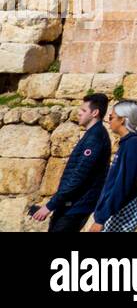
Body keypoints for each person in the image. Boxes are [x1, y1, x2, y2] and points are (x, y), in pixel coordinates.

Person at [32, 93, 111, 232]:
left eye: (83, 110)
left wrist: (50, 205)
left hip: (76, 205)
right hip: (71, 204)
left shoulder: (95, 137)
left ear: (95, 113)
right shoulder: (92, 134)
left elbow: (78, 176)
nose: (79, 113)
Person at [88, 100, 137, 233]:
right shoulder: (128, 144)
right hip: (115, 209)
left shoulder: (133, 146)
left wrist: (101, 219)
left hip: (120, 211)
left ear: (122, 120)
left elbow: (122, 185)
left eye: (111, 117)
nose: (108, 120)